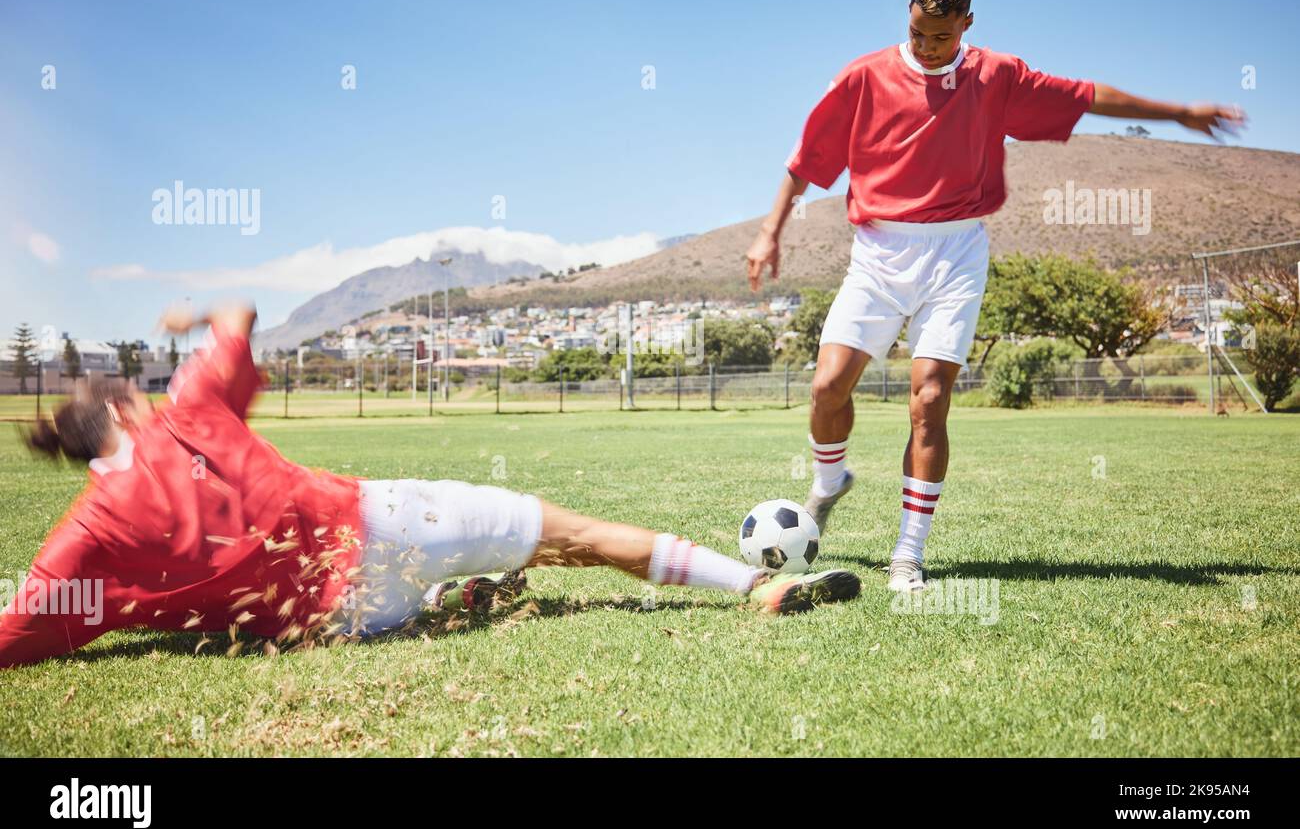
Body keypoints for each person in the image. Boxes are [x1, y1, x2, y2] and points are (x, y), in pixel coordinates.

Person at [0, 301, 860, 669]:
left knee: (418, 602)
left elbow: (18, 631)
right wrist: (194, 318)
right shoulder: (181, 409)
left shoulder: (90, 533)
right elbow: (240, 314)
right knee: (585, 539)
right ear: (127, 402)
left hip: (342, 623)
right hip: (388, 522)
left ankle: (465, 595)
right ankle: (750, 586)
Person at [745, 0, 1245, 592]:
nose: (928, 48)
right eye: (919, 32)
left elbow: (1086, 96)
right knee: (826, 389)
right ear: (907, 14)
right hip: (876, 252)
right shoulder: (862, 77)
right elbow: (805, 160)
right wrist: (769, 231)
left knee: (928, 400)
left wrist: (1177, 113)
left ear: (968, 25)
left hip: (955, 253)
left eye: (942, 37)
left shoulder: (997, 76)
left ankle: (908, 552)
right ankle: (829, 482)